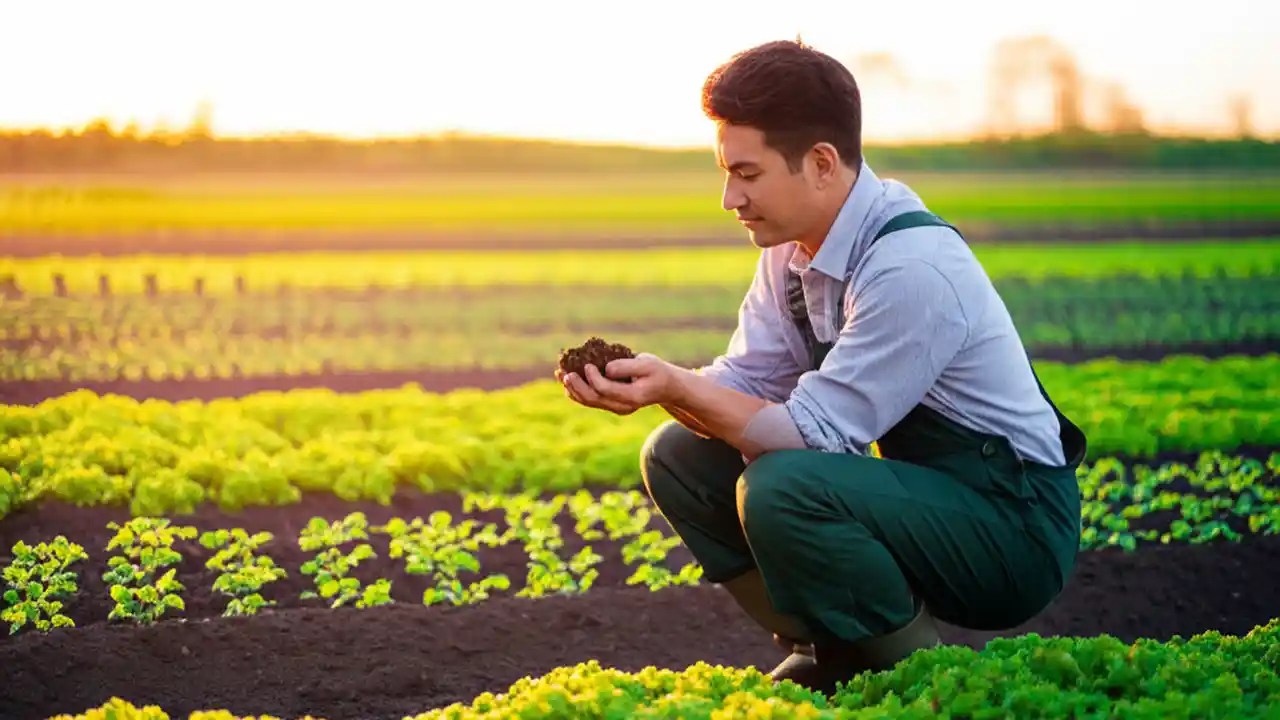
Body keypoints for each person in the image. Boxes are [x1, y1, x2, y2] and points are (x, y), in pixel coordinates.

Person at [554, 39, 1086, 696]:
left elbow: (802, 436)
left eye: (747, 174)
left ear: (822, 164)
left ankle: (926, 685)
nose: (729, 198)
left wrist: (675, 383)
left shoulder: (910, 269)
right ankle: (834, 647)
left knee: (785, 485)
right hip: (922, 498)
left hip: (1012, 530)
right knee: (679, 457)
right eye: (726, 173)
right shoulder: (792, 255)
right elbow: (745, 385)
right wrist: (656, 386)